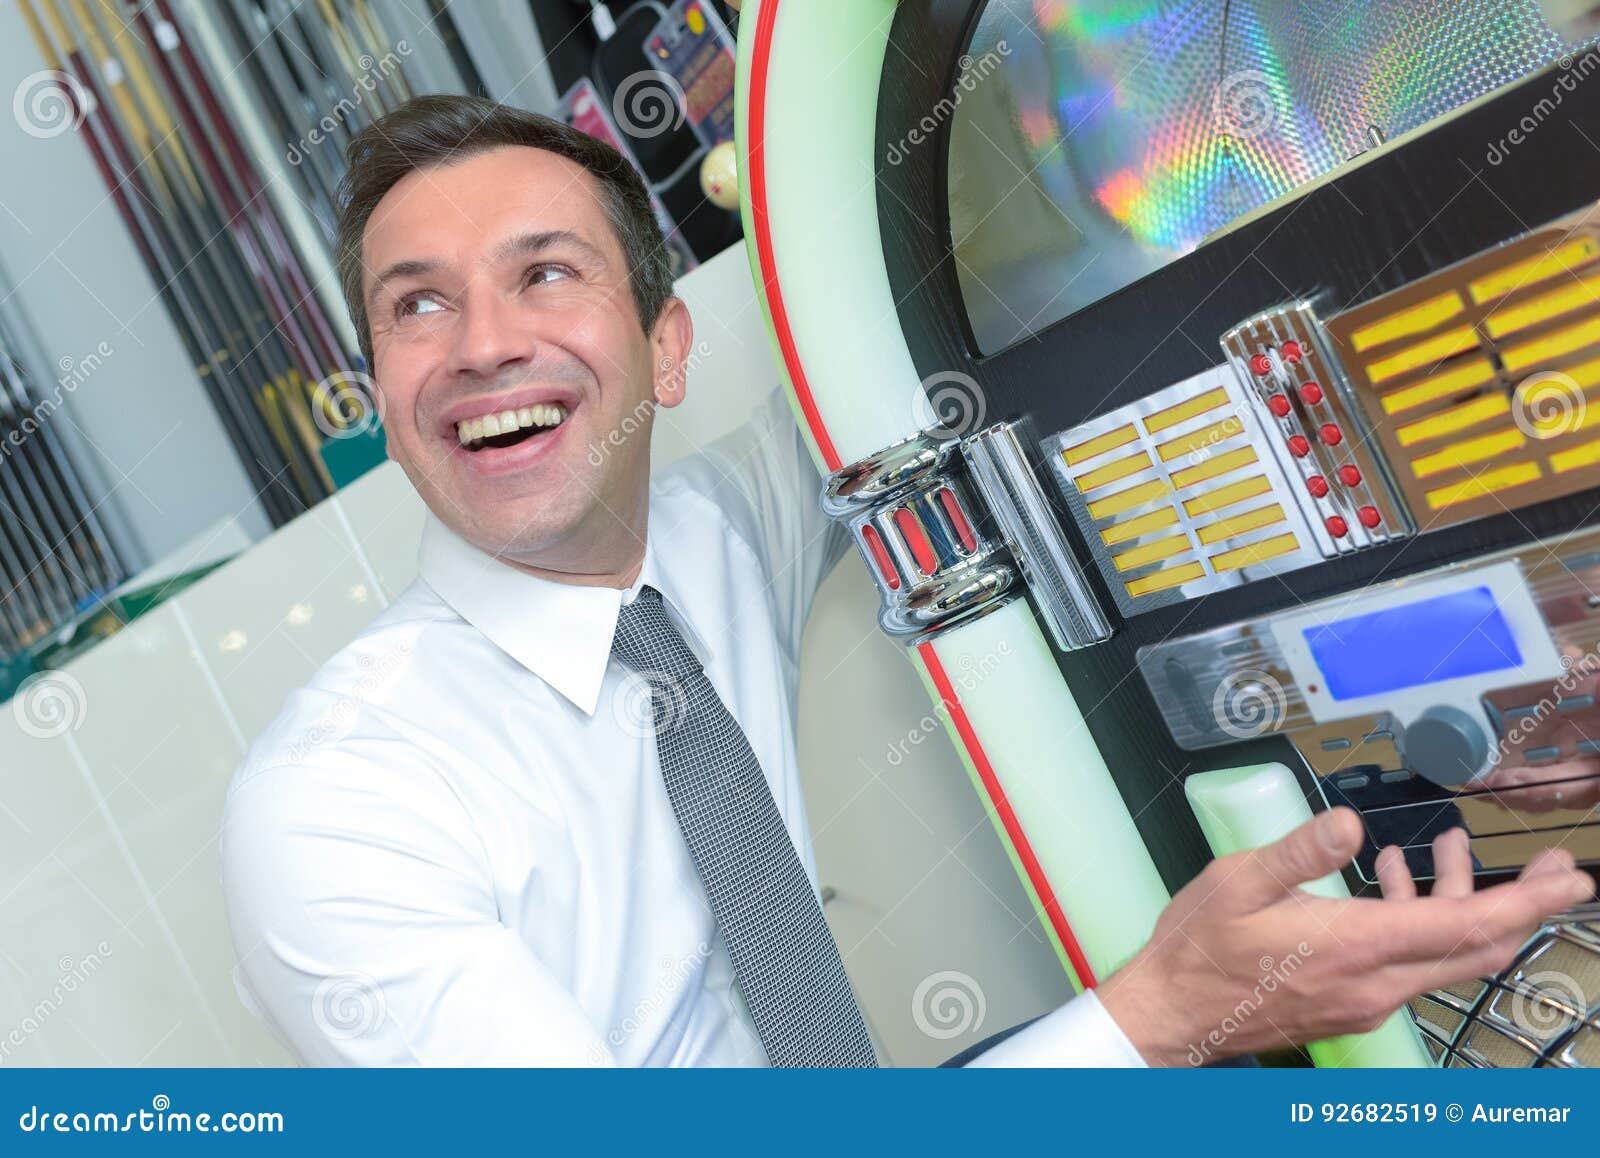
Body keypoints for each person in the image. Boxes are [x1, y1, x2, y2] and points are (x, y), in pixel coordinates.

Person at [220, 95, 1594, 1067]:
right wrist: (1159, 1012)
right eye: (418, 304)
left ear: (667, 348)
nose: (482, 345)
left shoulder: (718, 522)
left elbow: (928, 347)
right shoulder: (335, 807)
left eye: (545, 274)